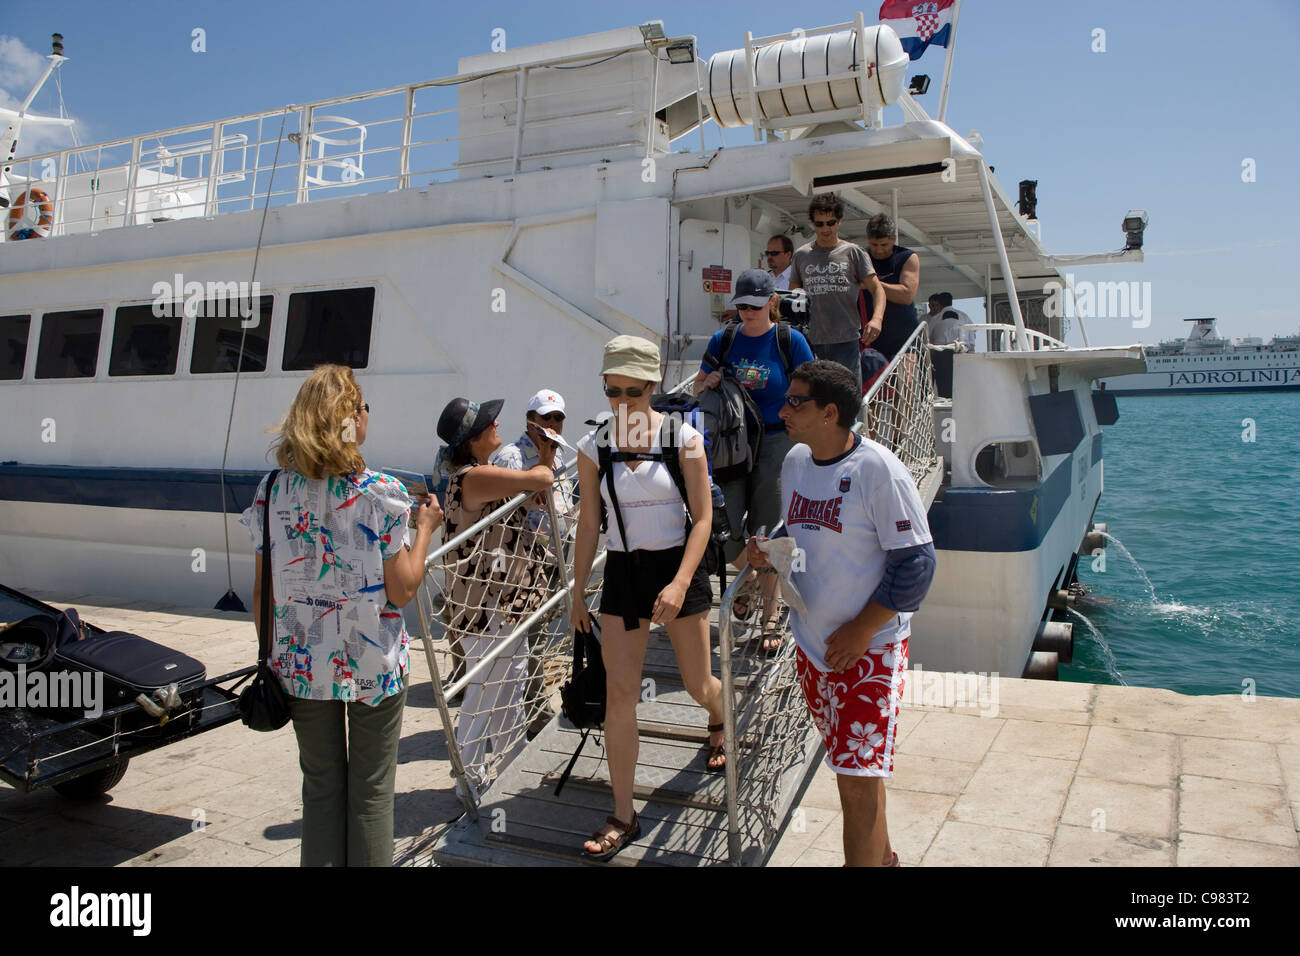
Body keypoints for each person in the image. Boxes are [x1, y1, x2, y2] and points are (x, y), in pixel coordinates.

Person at [240, 364, 443, 867]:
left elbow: (263, 590)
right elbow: (402, 590)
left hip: (301, 666)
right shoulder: (380, 492)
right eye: (363, 407)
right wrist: (425, 530)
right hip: (372, 662)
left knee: (321, 789)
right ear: (350, 418)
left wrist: (279, 655)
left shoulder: (271, 489)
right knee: (371, 792)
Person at [746, 360, 935, 867]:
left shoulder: (877, 471)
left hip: (867, 652)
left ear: (830, 413)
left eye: (796, 402)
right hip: (814, 649)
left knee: (855, 782)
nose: (783, 410)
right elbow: (799, 531)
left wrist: (861, 630)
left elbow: (916, 564)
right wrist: (770, 549)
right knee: (858, 775)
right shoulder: (795, 462)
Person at [571, 335, 726, 861]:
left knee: (697, 684)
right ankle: (623, 813)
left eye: (632, 392)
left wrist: (680, 583)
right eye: (611, 391)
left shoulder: (684, 440)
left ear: (653, 385)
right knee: (621, 694)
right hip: (624, 572)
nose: (621, 402)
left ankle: (718, 717)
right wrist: (577, 593)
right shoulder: (593, 447)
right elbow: (588, 524)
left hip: (678, 567)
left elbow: (702, 519)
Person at [436, 396, 555, 799]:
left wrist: (544, 454)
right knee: (484, 692)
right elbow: (540, 481)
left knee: (510, 686)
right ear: (473, 440)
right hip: (482, 608)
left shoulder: (486, 474)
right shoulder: (471, 477)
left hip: (505, 603)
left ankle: (511, 763)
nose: (497, 424)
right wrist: (545, 456)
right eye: (489, 423)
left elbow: (535, 493)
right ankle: (467, 780)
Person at [693, 268, 813, 646]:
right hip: (733, 442)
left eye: (754, 306)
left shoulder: (789, 340)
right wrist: (709, 382)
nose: (747, 313)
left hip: (777, 442)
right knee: (723, 528)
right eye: (742, 306)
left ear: (772, 302)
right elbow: (697, 388)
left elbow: (812, 388)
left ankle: (770, 617)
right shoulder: (724, 339)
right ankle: (748, 581)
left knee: (768, 532)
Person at [789, 193, 885, 391]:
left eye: (830, 223)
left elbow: (877, 289)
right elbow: (793, 295)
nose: (825, 229)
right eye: (819, 224)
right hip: (811, 340)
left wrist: (877, 319)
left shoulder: (854, 252)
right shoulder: (801, 255)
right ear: (812, 223)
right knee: (814, 397)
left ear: (839, 221)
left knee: (847, 398)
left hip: (846, 340)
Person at [859, 214, 921, 363]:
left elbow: (906, 295)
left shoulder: (907, 257)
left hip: (903, 336)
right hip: (868, 336)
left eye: (884, 245)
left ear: (894, 239)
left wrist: (872, 284)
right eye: (874, 245)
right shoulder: (861, 257)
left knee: (904, 377)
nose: (879, 250)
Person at [925, 293, 975, 398]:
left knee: (942, 383)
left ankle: (942, 398)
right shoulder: (964, 317)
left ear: (939, 303)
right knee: (960, 382)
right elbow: (971, 342)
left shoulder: (935, 319)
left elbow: (928, 338)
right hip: (960, 353)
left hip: (940, 353)